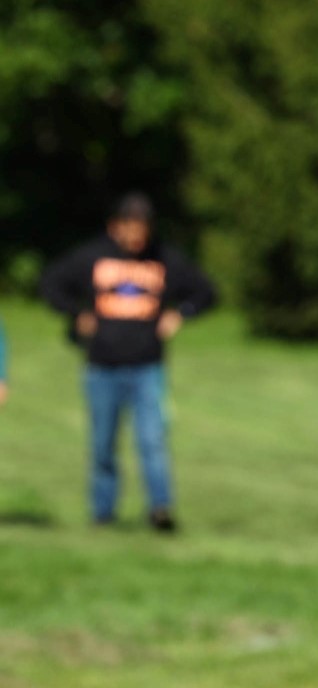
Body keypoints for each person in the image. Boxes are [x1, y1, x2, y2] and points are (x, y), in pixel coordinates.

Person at [39, 191, 217, 531]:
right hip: (101, 365)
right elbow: (50, 284)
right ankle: (103, 514)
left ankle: (160, 510)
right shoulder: (93, 256)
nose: (136, 235)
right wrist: (76, 314)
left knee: (152, 439)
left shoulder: (164, 258)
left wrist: (180, 314)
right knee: (103, 443)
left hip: (147, 365)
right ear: (115, 226)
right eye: (130, 227)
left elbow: (206, 292)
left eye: (142, 228)